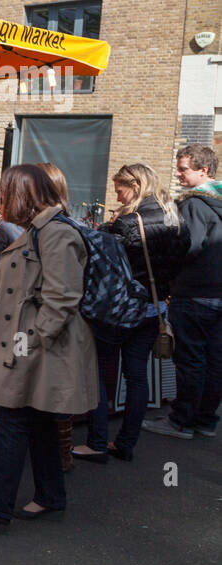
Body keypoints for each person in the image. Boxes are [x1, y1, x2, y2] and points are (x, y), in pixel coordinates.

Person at [0, 164, 97, 532]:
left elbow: (62, 298)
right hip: (33, 340)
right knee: (39, 420)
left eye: (7, 191)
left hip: (37, 343)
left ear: (24, 194)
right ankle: (50, 496)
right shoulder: (41, 229)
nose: (0, 199)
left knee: (14, 419)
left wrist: (27, 344)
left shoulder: (55, 233)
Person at [73, 164, 181, 462]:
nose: (117, 193)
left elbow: (104, 258)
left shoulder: (128, 222)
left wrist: (109, 226)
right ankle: (125, 443)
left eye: (120, 187)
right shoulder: (174, 218)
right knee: (136, 376)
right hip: (154, 308)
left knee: (100, 374)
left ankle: (96, 442)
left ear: (134, 186)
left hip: (120, 310)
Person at [143, 144, 222, 440]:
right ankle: (204, 419)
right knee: (215, 359)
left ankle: (181, 421)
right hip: (218, 294)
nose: (177, 174)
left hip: (195, 292)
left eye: (183, 169)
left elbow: (188, 247)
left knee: (191, 359)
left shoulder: (194, 204)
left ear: (203, 171)